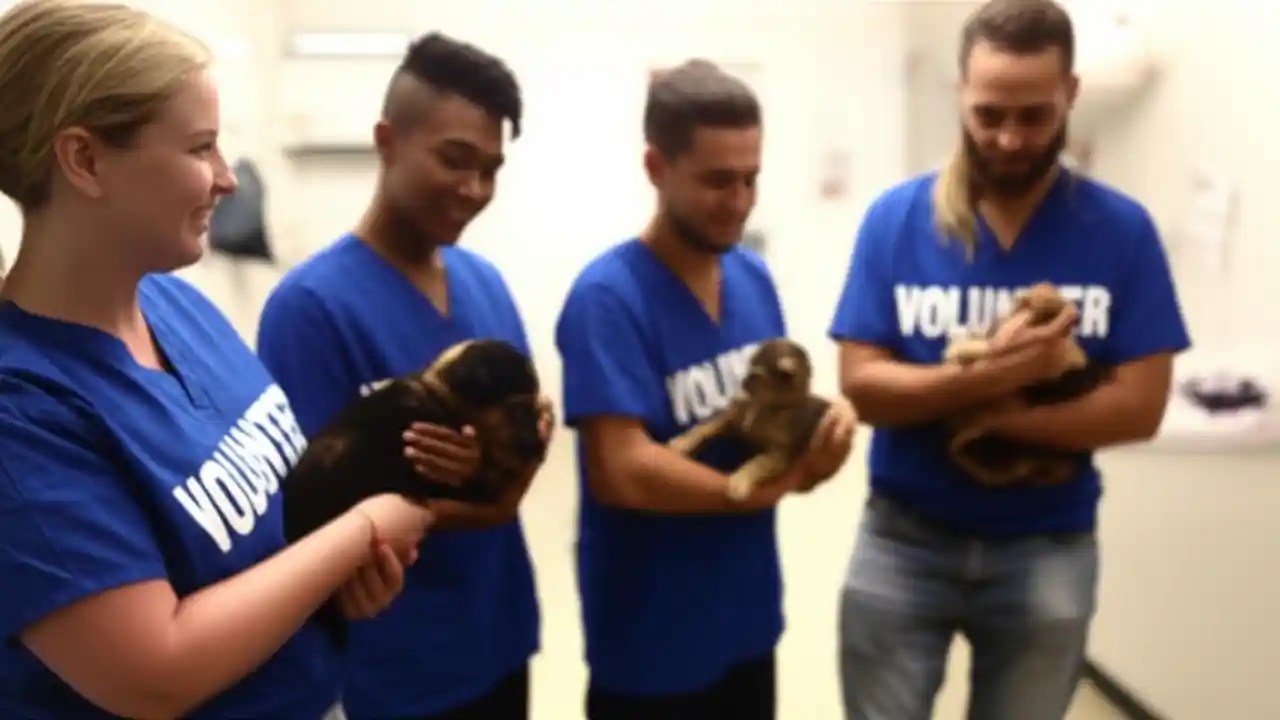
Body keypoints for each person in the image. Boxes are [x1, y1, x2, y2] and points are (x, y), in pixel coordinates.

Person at [0, 1, 442, 718]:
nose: (227, 179)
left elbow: (279, 532)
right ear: (84, 160)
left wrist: (342, 578)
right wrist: (359, 531)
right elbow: (156, 671)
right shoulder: (22, 413)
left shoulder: (183, 311)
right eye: (199, 147)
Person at [829, 1, 1190, 718]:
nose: (1009, 137)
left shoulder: (1121, 231)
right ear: (959, 92)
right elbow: (862, 388)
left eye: (1034, 115)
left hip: (1047, 544)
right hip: (904, 538)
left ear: (1070, 96)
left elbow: (1140, 407)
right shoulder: (896, 221)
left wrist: (989, 413)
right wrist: (996, 375)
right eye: (989, 113)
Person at [256, 32, 550, 720]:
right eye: (454, 160)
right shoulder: (310, 309)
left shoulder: (487, 286)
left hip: (498, 639)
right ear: (387, 140)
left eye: (491, 168)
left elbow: (520, 447)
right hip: (388, 673)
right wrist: (478, 497)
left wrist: (519, 452)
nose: (474, 188)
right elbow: (302, 519)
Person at [554, 59, 857, 720]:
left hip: (746, 625)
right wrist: (757, 489)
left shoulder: (752, 279)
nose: (741, 201)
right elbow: (622, 471)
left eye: (751, 179)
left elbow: (772, 426)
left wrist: (814, 456)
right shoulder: (608, 297)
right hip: (650, 647)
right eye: (718, 181)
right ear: (656, 168)